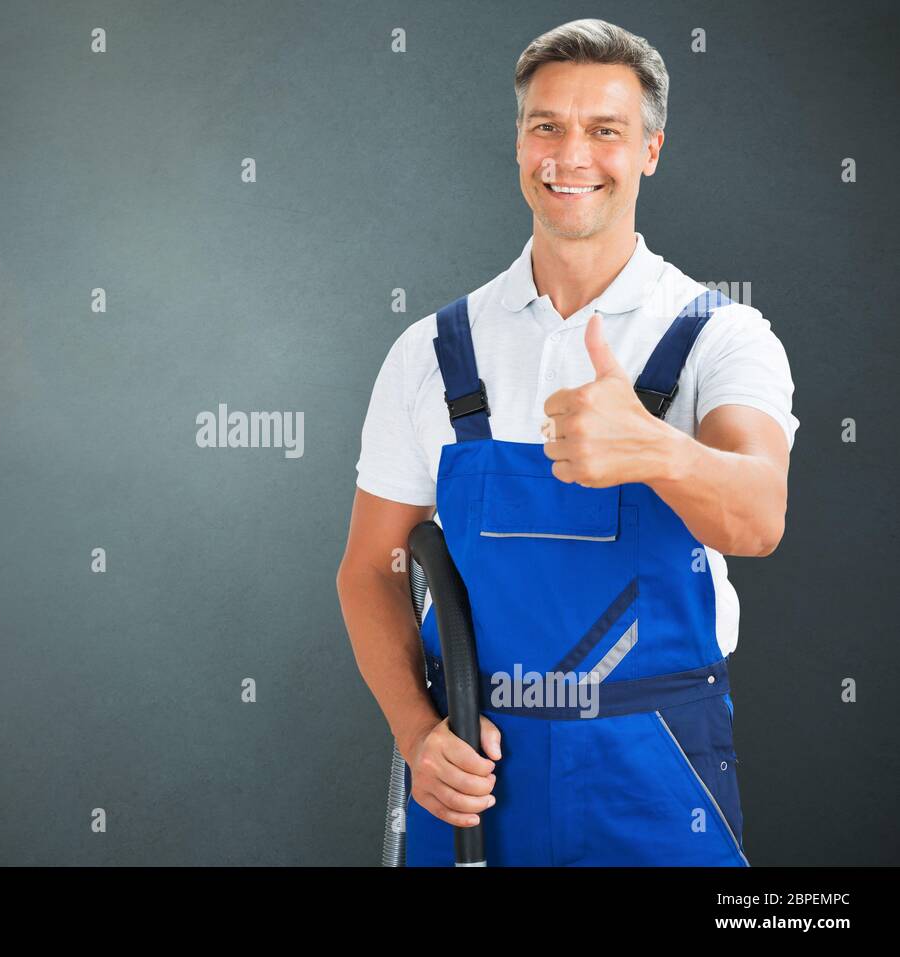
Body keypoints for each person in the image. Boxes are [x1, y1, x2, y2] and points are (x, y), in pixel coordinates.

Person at [335, 18, 797, 866]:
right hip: (475, 767)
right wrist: (416, 732)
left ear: (650, 150)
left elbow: (758, 515)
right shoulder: (432, 354)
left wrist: (655, 449)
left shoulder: (724, 337)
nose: (570, 154)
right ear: (518, 142)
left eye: (605, 131)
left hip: (654, 771)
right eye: (546, 125)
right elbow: (370, 566)